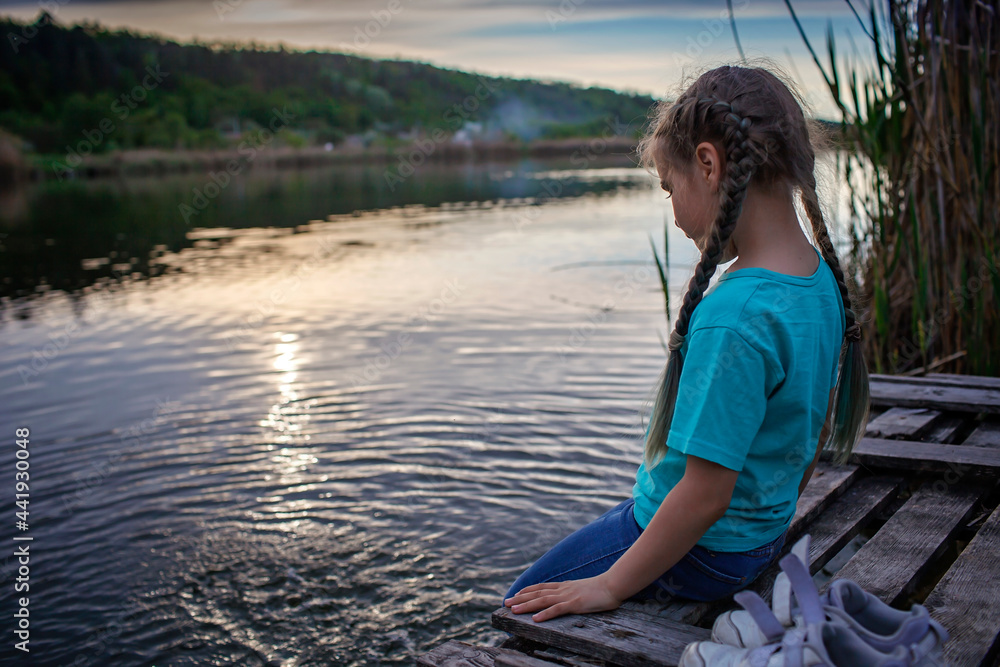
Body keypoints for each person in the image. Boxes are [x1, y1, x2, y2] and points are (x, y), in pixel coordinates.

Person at [502, 64, 871, 623]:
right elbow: (810, 435)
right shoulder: (816, 280)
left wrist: (608, 586)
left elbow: (703, 496)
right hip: (758, 540)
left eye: (668, 188)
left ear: (707, 164)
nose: (673, 214)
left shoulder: (735, 316)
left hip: (706, 553)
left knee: (518, 603)